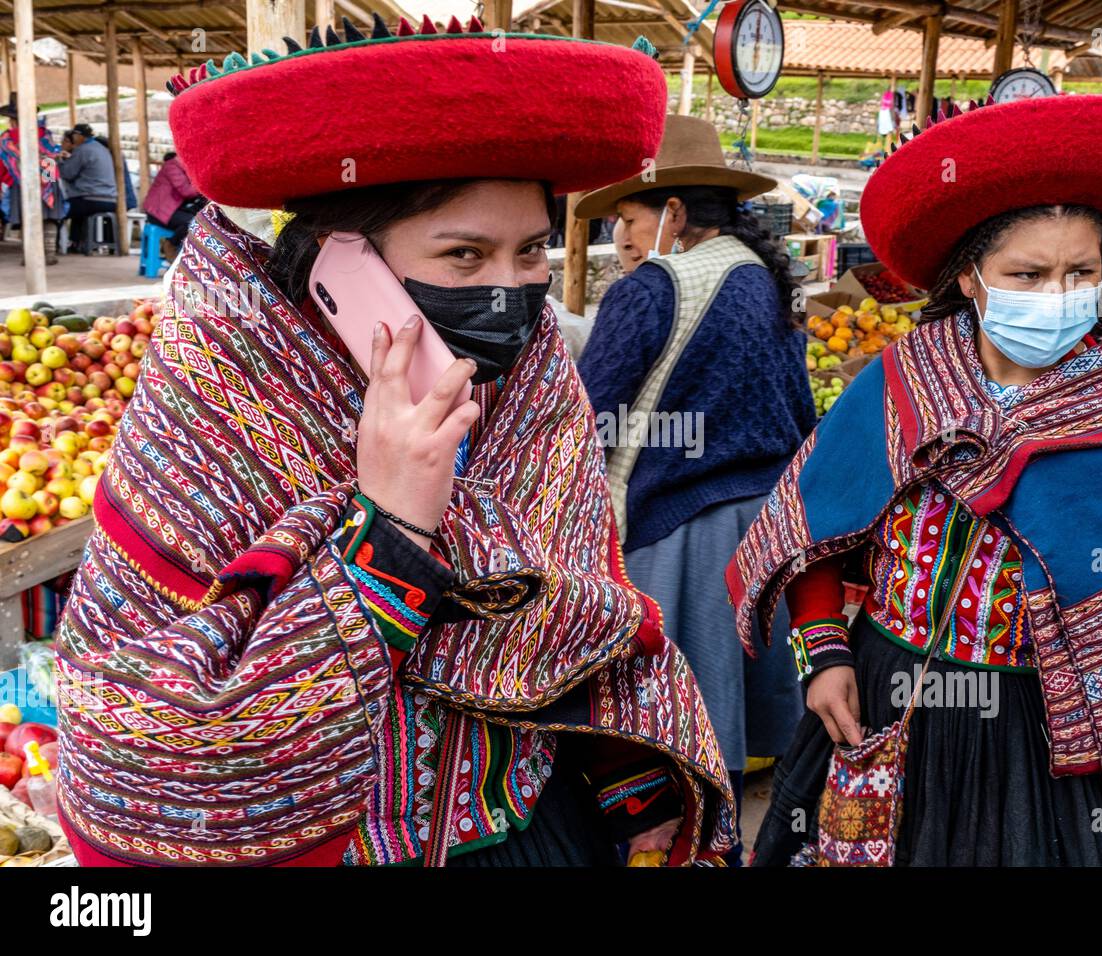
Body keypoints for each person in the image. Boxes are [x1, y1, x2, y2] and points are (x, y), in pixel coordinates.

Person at [54, 16, 733, 868]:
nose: (509, 292)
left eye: (528, 254)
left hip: (537, 832)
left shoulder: (534, 385)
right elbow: (140, 743)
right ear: (345, 268)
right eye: (462, 256)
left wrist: (632, 790)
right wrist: (388, 534)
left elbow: (582, 617)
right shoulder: (220, 405)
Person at [730, 94, 1102, 867]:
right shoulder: (904, 382)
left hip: (1043, 742)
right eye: (1028, 273)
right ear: (971, 278)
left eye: (1081, 273)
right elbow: (817, 530)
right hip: (886, 701)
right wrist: (825, 653)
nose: (1058, 296)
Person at [574, 115, 817, 839]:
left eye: (628, 216)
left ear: (673, 212)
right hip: (763, 528)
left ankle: (681, 840)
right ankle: (730, 838)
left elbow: (588, 416)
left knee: (672, 726)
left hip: (678, 534)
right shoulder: (763, 280)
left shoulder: (653, 288)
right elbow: (801, 411)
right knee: (734, 720)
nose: (619, 235)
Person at [0, 93, 65, 265]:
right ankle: (49, 254)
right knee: (49, 215)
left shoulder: (6, 139)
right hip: (48, 175)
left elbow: (5, 162)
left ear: (13, 120)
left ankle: (30, 256)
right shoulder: (44, 133)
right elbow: (52, 154)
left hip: (22, 181)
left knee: (27, 217)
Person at [58, 121, 118, 250]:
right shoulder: (100, 148)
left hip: (92, 198)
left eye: (71, 138)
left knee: (56, 211)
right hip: (110, 198)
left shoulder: (82, 149)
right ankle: (76, 243)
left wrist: (60, 160)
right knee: (76, 206)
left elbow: (67, 174)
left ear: (78, 136)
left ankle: (54, 246)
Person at [142, 150, 206, 256]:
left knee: (198, 219)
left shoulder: (181, 169)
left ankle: (178, 251)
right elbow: (186, 191)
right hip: (158, 212)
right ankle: (170, 245)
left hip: (169, 211)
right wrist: (203, 184)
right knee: (193, 222)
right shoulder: (171, 167)